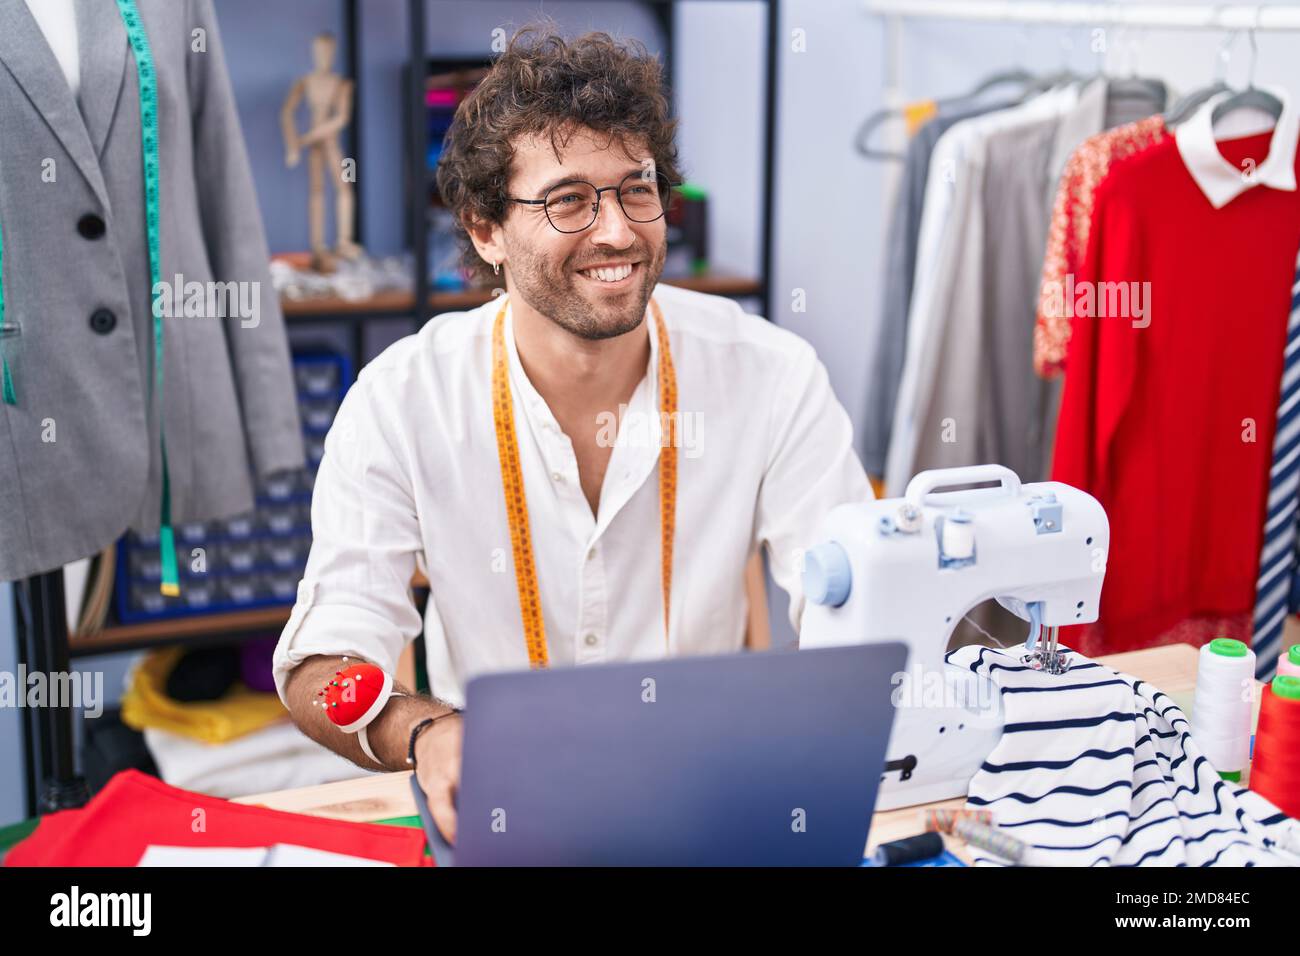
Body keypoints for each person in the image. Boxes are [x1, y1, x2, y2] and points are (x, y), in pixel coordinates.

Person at [272, 23, 871, 844]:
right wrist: (427, 732)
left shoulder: (770, 374)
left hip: (712, 797)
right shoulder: (403, 401)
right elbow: (322, 665)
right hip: (504, 806)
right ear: (485, 230)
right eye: (568, 201)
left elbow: (856, 611)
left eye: (637, 189)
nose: (619, 230)